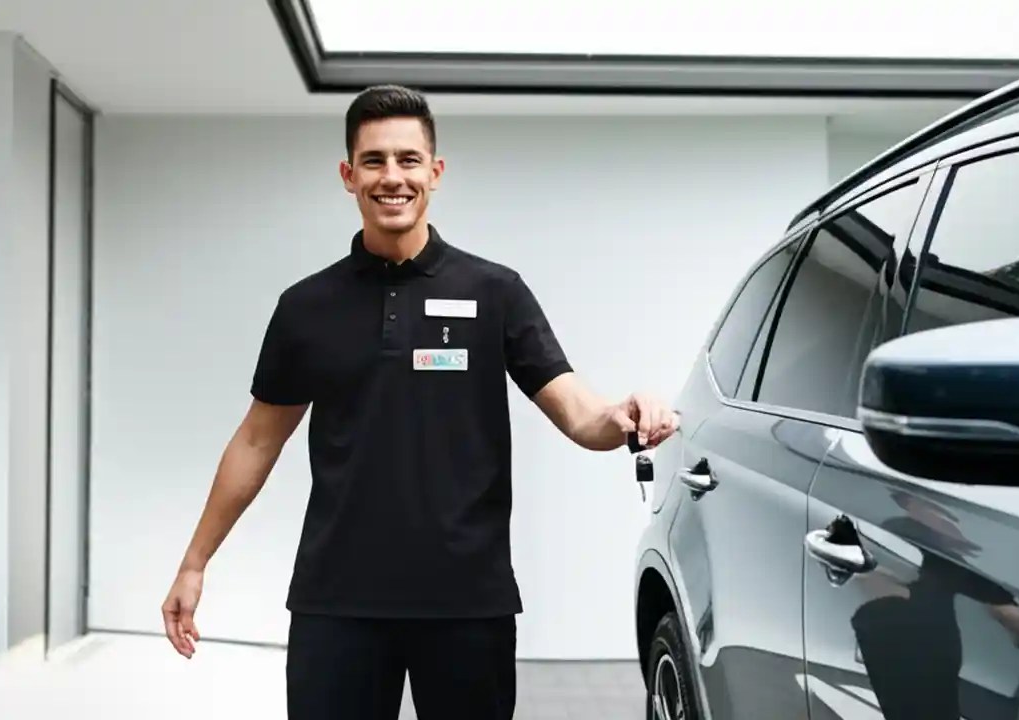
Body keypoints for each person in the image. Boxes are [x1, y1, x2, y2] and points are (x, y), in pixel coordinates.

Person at [159, 84, 679, 719]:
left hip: (467, 603)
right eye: (374, 161)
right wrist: (194, 563)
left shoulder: (495, 292)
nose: (392, 178)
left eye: (408, 160)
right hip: (337, 602)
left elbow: (577, 411)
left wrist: (624, 418)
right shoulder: (306, 308)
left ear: (435, 172)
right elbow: (256, 441)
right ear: (348, 176)